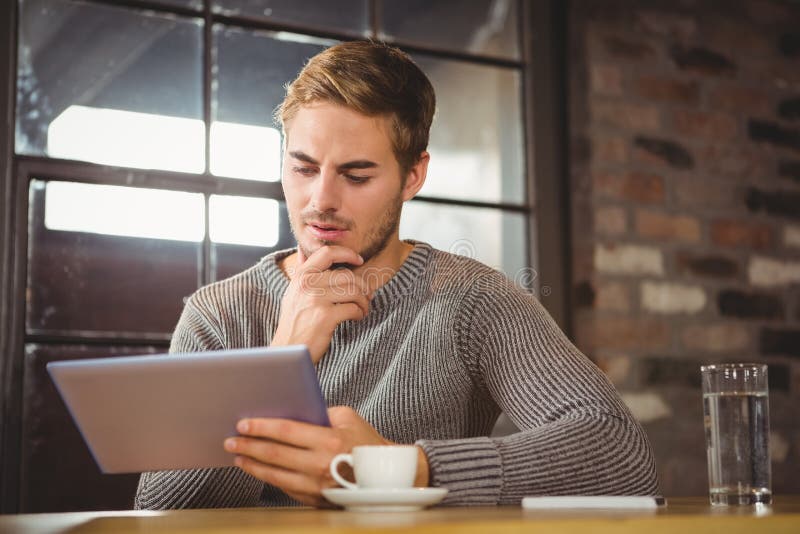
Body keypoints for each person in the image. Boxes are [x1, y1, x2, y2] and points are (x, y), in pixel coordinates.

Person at [134, 40, 658, 509]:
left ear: (413, 176)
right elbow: (161, 509)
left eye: (356, 175)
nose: (321, 201)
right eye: (303, 168)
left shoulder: (472, 300)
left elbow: (620, 453)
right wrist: (279, 361)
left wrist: (401, 471)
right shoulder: (218, 313)